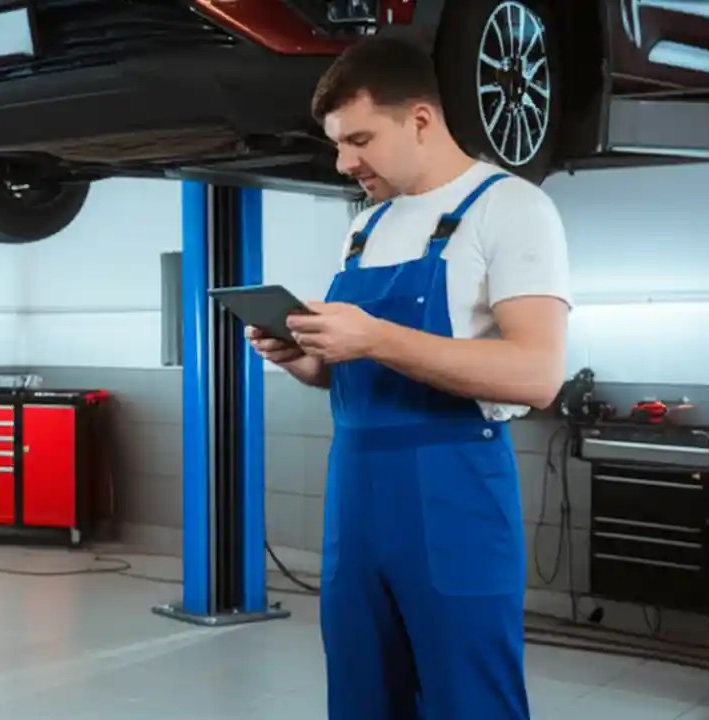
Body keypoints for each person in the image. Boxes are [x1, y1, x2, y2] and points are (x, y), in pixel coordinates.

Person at [248, 36, 570, 719]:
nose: (344, 162)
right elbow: (363, 371)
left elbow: (538, 373)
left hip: (455, 497)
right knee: (362, 696)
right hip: (356, 497)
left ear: (420, 119)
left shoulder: (510, 208)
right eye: (336, 144)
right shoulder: (364, 230)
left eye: (359, 139)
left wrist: (376, 336)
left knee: (469, 700)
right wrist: (307, 360)